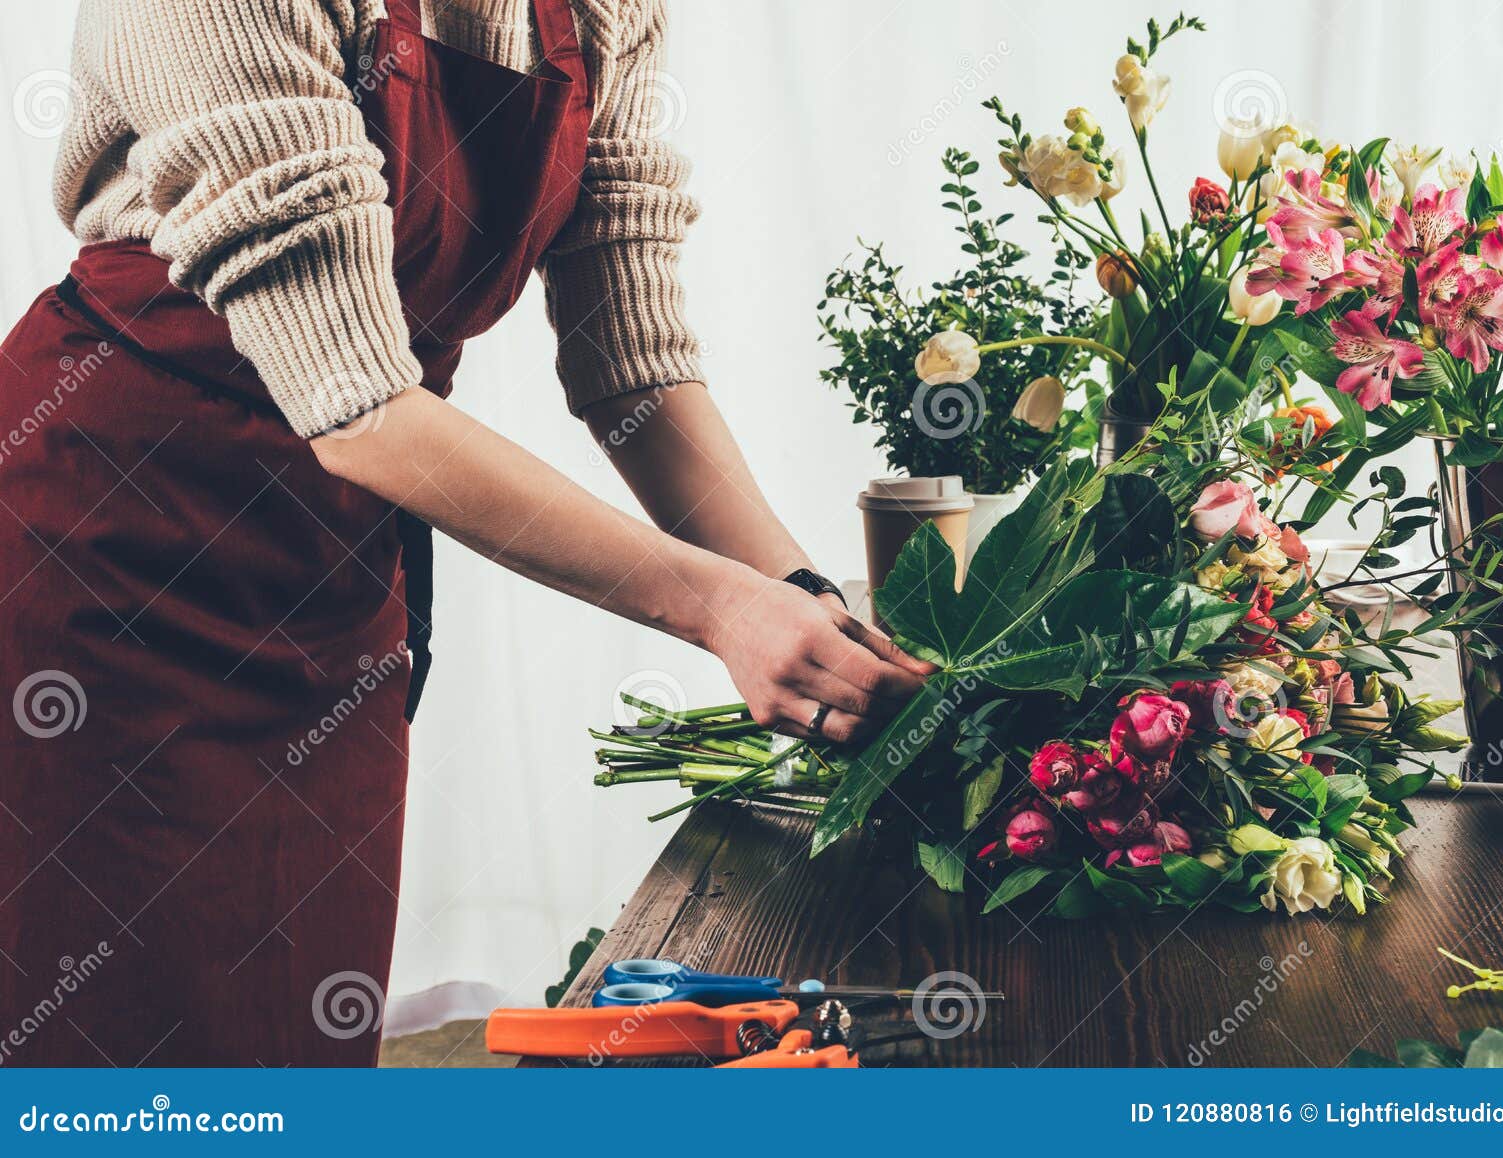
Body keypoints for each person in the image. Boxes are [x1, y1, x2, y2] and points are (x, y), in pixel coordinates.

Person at [0, 0, 929, 1066]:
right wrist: (719, 608)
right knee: (112, 1038)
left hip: (331, 573)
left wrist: (804, 600)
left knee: (299, 1024)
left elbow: (632, 359)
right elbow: (354, 399)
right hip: (107, 553)